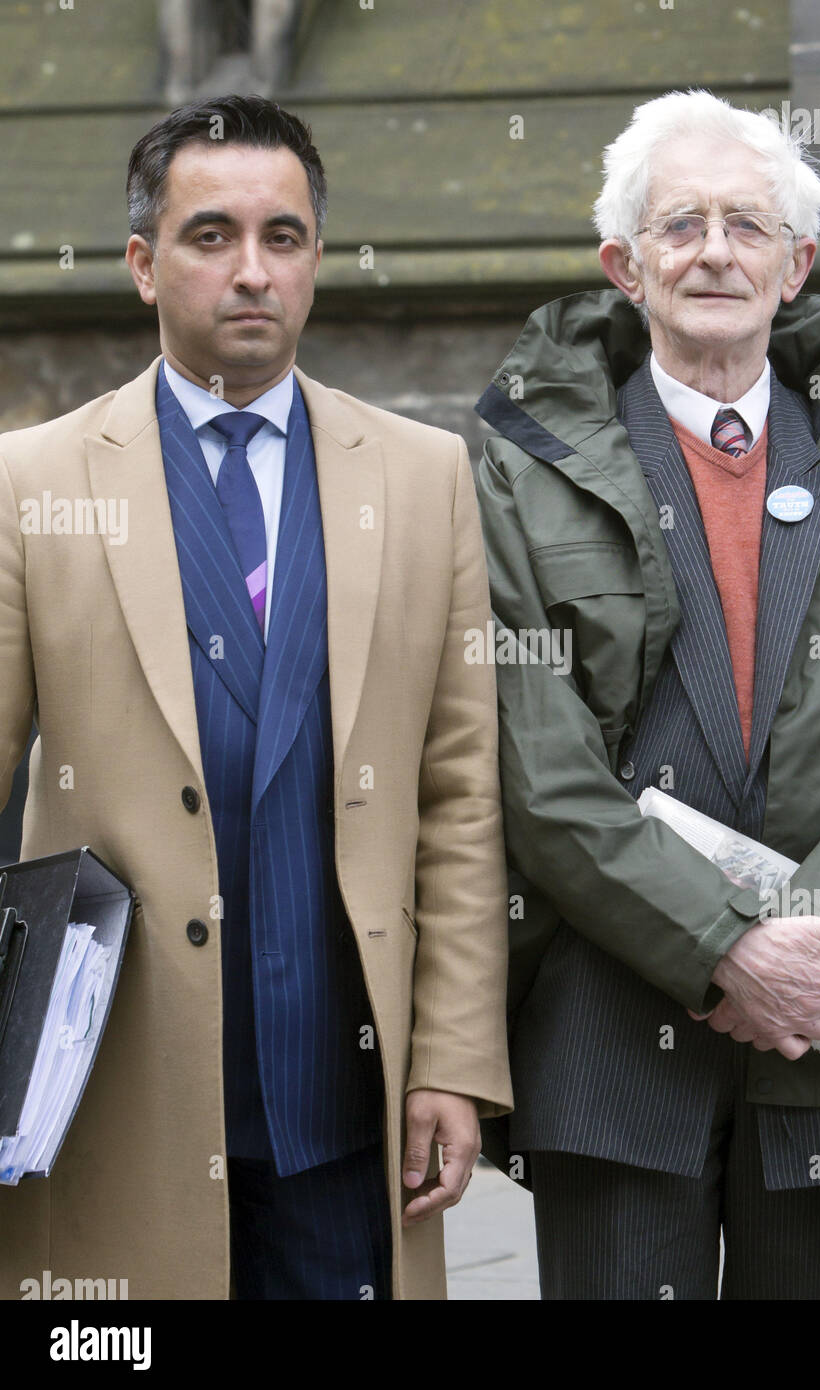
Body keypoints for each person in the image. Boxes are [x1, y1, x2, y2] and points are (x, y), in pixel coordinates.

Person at [473, 88, 820, 1300]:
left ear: (796, 264)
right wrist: (719, 946)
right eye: (679, 225)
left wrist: (807, 957)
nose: (713, 250)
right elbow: (535, 767)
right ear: (624, 264)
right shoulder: (519, 472)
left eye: (746, 225)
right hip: (612, 1024)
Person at [0, 94, 511, 1300]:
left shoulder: (427, 476)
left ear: (316, 260)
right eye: (211, 235)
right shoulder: (30, 482)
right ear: (142, 264)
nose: (251, 271)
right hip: (113, 1091)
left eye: (283, 238)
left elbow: (462, 795)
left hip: (340, 1098)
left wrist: (449, 1060)